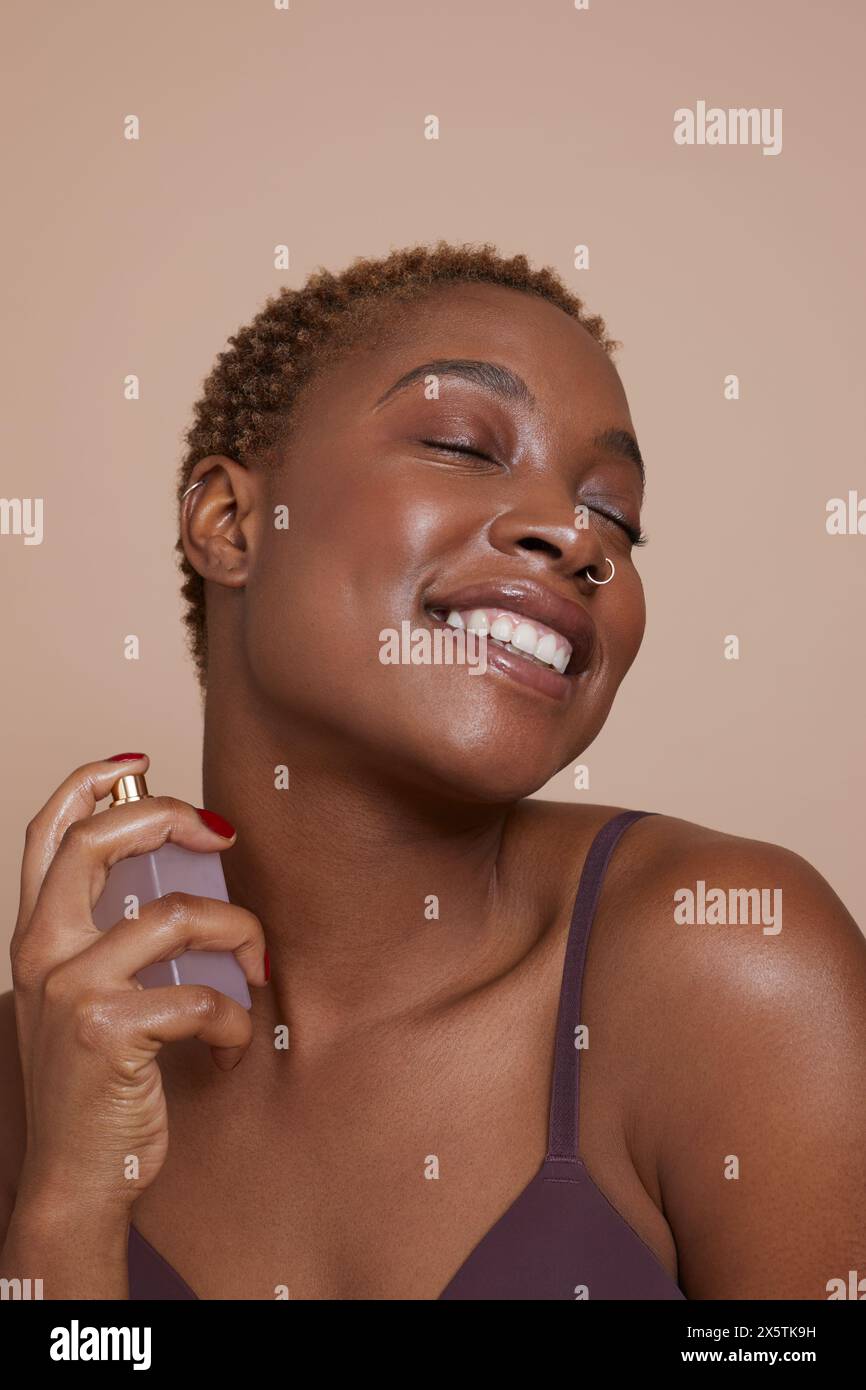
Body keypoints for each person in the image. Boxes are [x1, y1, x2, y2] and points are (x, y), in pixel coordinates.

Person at [2, 242, 864, 1300]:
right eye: (462, 443)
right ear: (230, 524)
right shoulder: (49, 1063)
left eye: (617, 518)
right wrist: (68, 1206)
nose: (576, 534)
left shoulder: (726, 961)